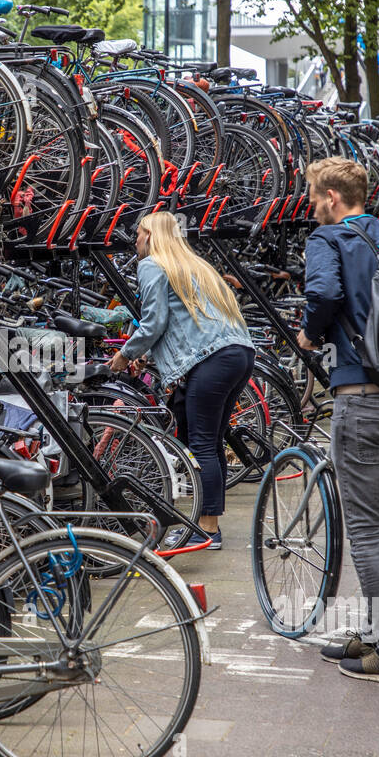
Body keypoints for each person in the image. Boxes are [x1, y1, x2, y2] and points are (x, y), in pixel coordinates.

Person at [296, 157, 379, 686]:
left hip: (361, 398)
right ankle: (372, 634)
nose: (310, 205)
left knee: (365, 528)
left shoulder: (328, 239)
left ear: (331, 197)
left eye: (312, 196)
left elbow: (323, 295)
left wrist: (309, 333)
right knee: (374, 518)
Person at [107, 211, 254, 549]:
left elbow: (154, 321)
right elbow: (179, 319)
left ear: (152, 236)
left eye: (140, 233)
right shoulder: (193, 264)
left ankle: (206, 531)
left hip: (211, 360)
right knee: (211, 440)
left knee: (201, 443)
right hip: (239, 354)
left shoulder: (151, 265)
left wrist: (125, 354)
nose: (136, 240)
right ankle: (207, 527)